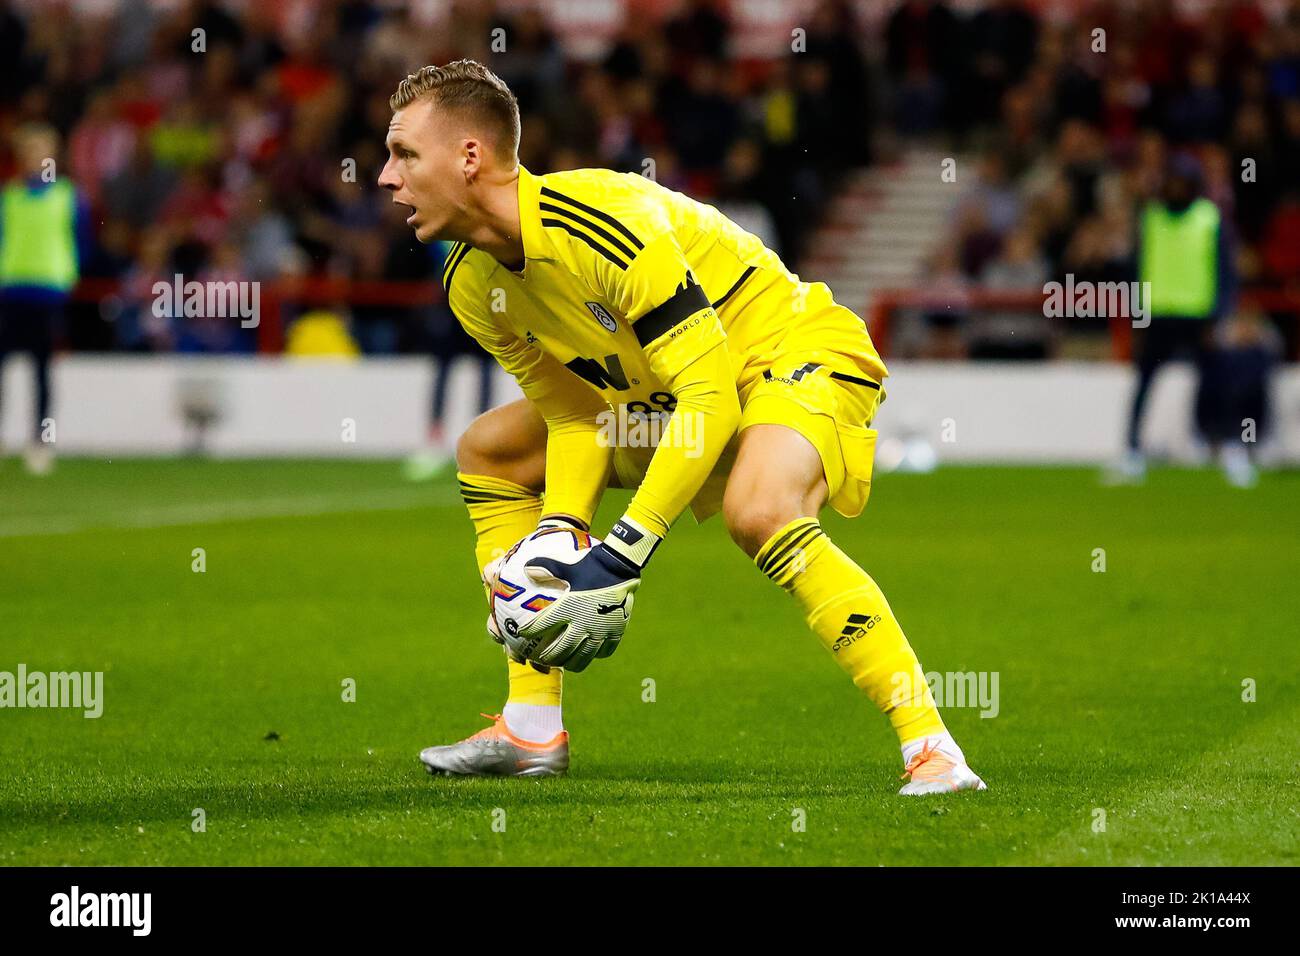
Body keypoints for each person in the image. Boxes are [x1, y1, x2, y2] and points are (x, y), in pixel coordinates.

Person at [379, 61, 985, 794]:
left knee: (760, 510)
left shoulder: (600, 225)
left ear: (469, 157)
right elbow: (577, 411)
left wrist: (621, 554)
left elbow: (710, 398)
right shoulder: (471, 282)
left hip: (791, 352)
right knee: (492, 452)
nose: (386, 177)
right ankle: (531, 728)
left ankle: (934, 748)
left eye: (404, 153)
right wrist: (561, 534)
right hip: (668, 395)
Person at [1119, 154, 1234, 480]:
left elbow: (1225, 272)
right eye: (1172, 182)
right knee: (1144, 384)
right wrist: (1137, 317)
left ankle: (1225, 446)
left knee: (1217, 384)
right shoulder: (1151, 218)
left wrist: (1219, 315)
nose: (1176, 188)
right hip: (1158, 315)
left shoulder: (1209, 219)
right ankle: (1132, 450)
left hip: (1199, 317)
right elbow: (1136, 270)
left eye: (1183, 183)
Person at [0, 123, 90, 474]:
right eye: (29, 151)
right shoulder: (9, 197)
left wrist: (69, 273)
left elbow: (81, 241)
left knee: (42, 372)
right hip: (10, 289)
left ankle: (41, 441)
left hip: (49, 292)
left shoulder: (68, 196)